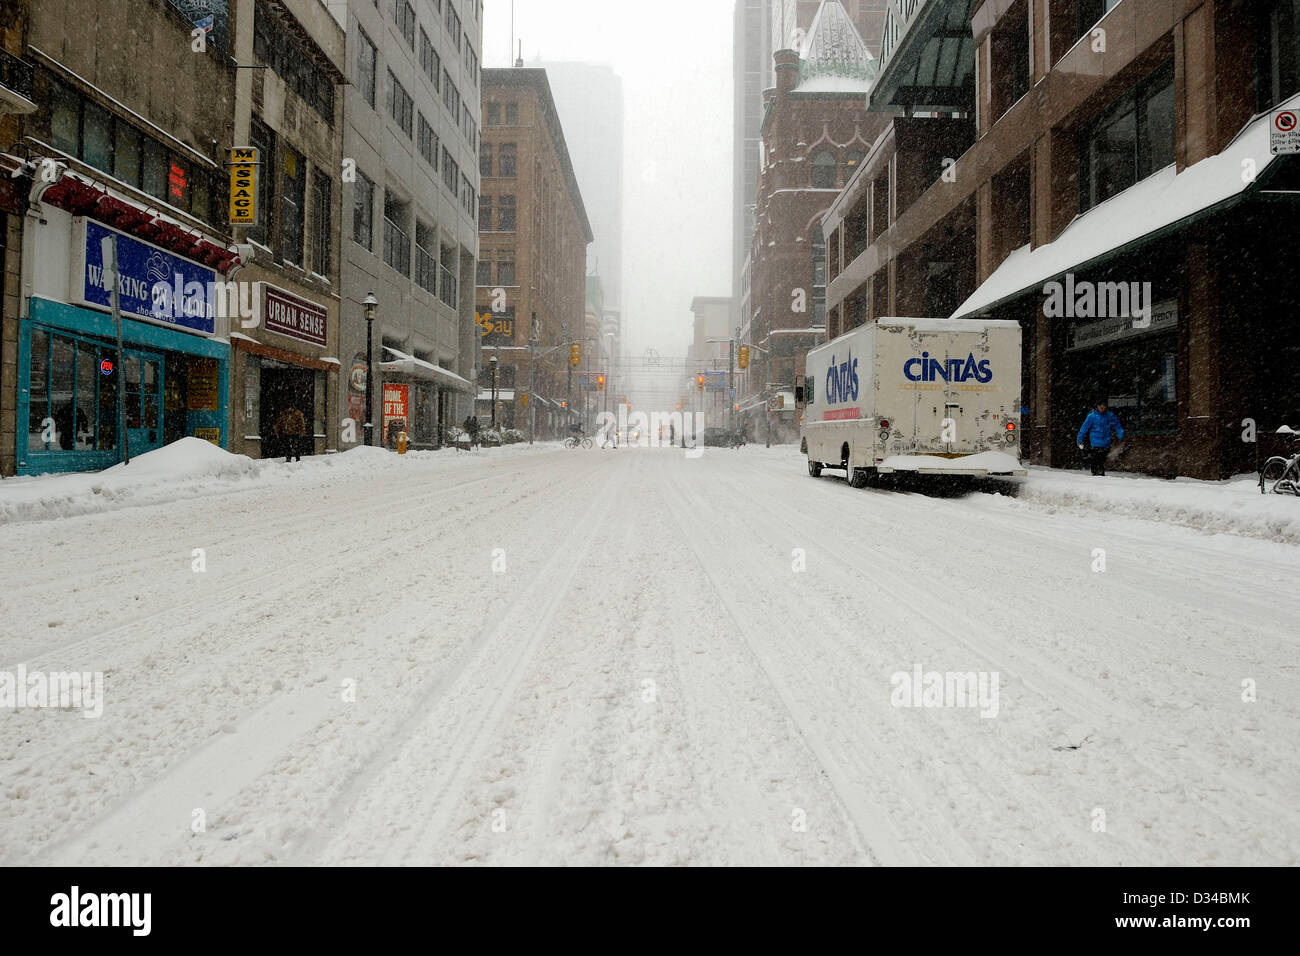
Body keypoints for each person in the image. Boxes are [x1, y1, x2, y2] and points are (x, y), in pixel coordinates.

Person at [1077, 399, 1124, 476]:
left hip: (1106, 442)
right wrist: (1079, 439)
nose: (1102, 408)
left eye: (1104, 406)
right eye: (1101, 406)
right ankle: (1098, 474)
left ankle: (1098, 474)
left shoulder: (1110, 416)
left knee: (1101, 459)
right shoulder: (1092, 417)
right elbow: (1084, 428)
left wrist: (1120, 434)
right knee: (1097, 459)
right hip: (1095, 442)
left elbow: (1117, 425)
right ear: (1097, 406)